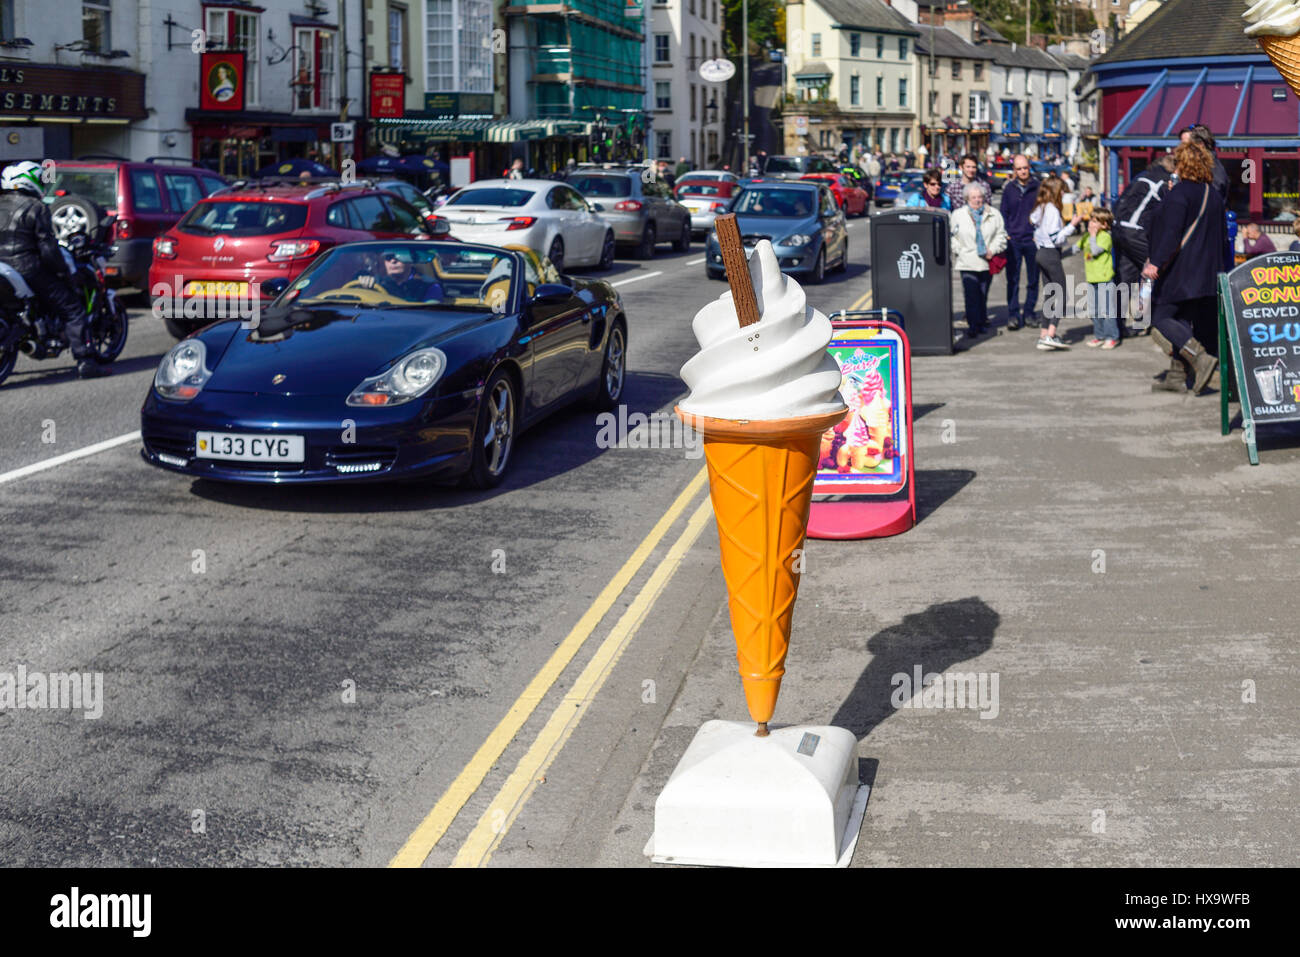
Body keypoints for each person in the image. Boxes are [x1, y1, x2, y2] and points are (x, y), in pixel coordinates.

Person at [0, 161, 107, 378]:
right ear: (29, 180)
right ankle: (86, 362)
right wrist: (66, 273)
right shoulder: (35, 207)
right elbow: (48, 249)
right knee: (73, 309)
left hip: (4, 268)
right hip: (26, 268)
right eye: (39, 179)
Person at [1143, 140, 1226, 395]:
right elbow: (1221, 235)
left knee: (1160, 317)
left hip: (1182, 271)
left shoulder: (1180, 194)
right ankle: (1177, 377)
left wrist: (1155, 262)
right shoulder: (1211, 194)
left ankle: (1199, 358)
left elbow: (1170, 232)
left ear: (1183, 164)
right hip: (1207, 273)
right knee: (1181, 321)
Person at [1113, 152, 1175, 335]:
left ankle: (1117, 325)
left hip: (1119, 227)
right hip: (1136, 231)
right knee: (1156, 270)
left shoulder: (1142, 177)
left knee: (1126, 275)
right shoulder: (1165, 182)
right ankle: (1151, 319)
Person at [1030, 176, 1083, 351]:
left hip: (1041, 252)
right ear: (1055, 191)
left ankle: (1044, 334)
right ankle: (1051, 334)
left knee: (1050, 295)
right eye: (1061, 191)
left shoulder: (1041, 207)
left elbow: (1035, 228)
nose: (1062, 194)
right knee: (1060, 294)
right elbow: (1056, 237)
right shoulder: (1052, 209)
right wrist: (1072, 225)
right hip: (1051, 253)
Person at [950, 182, 1008, 338]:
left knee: (982, 294)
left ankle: (981, 322)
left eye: (980, 197)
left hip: (986, 261)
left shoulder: (994, 214)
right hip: (967, 260)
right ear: (967, 199)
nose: (977, 200)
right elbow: (952, 237)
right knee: (971, 294)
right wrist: (959, 250)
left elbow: (1001, 235)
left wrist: (993, 250)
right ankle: (973, 325)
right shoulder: (958, 215)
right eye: (973, 197)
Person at [999, 154, 1041, 330]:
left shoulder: (1038, 187)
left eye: (1025, 168)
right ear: (1014, 170)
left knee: (1033, 279)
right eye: (1019, 169)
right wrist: (1007, 233)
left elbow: (1044, 211)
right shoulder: (1009, 188)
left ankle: (1029, 313)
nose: (1023, 171)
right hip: (1014, 240)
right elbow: (1004, 212)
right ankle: (1013, 315)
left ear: (1029, 168)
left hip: (1032, 240)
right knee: (1013, 280)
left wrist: (1038, 233)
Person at [1078, 208, 1119, 349]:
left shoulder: (1105, 237)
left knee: (1106, 310)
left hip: (1104, 279)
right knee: (1094, 311)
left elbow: (1095, 251)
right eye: (1090, 220)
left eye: (1095, 221)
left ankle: (1111, 337)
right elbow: (1075, 248)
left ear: (1104, 225)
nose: (1091, 223)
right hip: (1091, 279)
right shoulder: (1087, 237)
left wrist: (1093, 235)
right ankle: (1099, 335)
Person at [357, 248, 444, 302]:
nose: (393, 261)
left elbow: (430, 314)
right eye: (388, 258)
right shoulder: (376, 283)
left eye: (400, 257)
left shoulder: (429, 285)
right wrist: (363, 285)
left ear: (411, 261)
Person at [1180, 124, 1229, 203]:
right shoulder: (1200, 165)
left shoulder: (1212, 167)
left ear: (1200, 145)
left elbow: (1212, 199)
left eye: (1187, 145)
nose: (1182, 149)